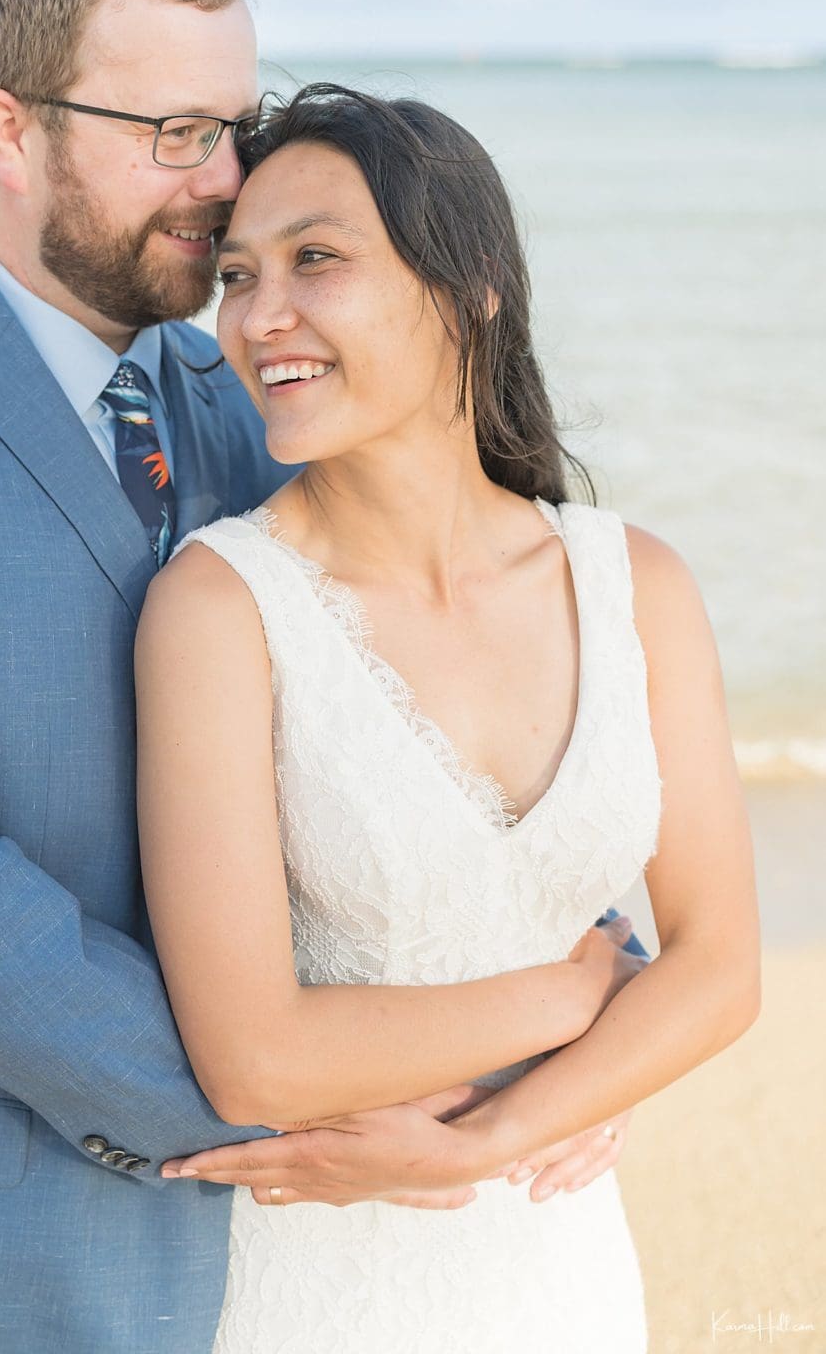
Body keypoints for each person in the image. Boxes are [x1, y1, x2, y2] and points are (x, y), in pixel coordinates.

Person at [0, 0, 637, 1352]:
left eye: (230, 125)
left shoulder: (246, 391)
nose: (225, 181)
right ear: (6, 130)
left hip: (271, 1249)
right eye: (172, 132)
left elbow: (429, 701)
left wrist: (553, 1026)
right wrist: (300, 1087)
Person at [136, 85, 762, 1352]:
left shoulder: (631, 582)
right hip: (310, 1278)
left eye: (317, 259)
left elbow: (721, 967)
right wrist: (582, 992)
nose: (260, 318)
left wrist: (478, 1143)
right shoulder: (219, 606)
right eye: (238, 276)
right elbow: (255, 1056)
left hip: (555, 1261)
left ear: (468, 284)